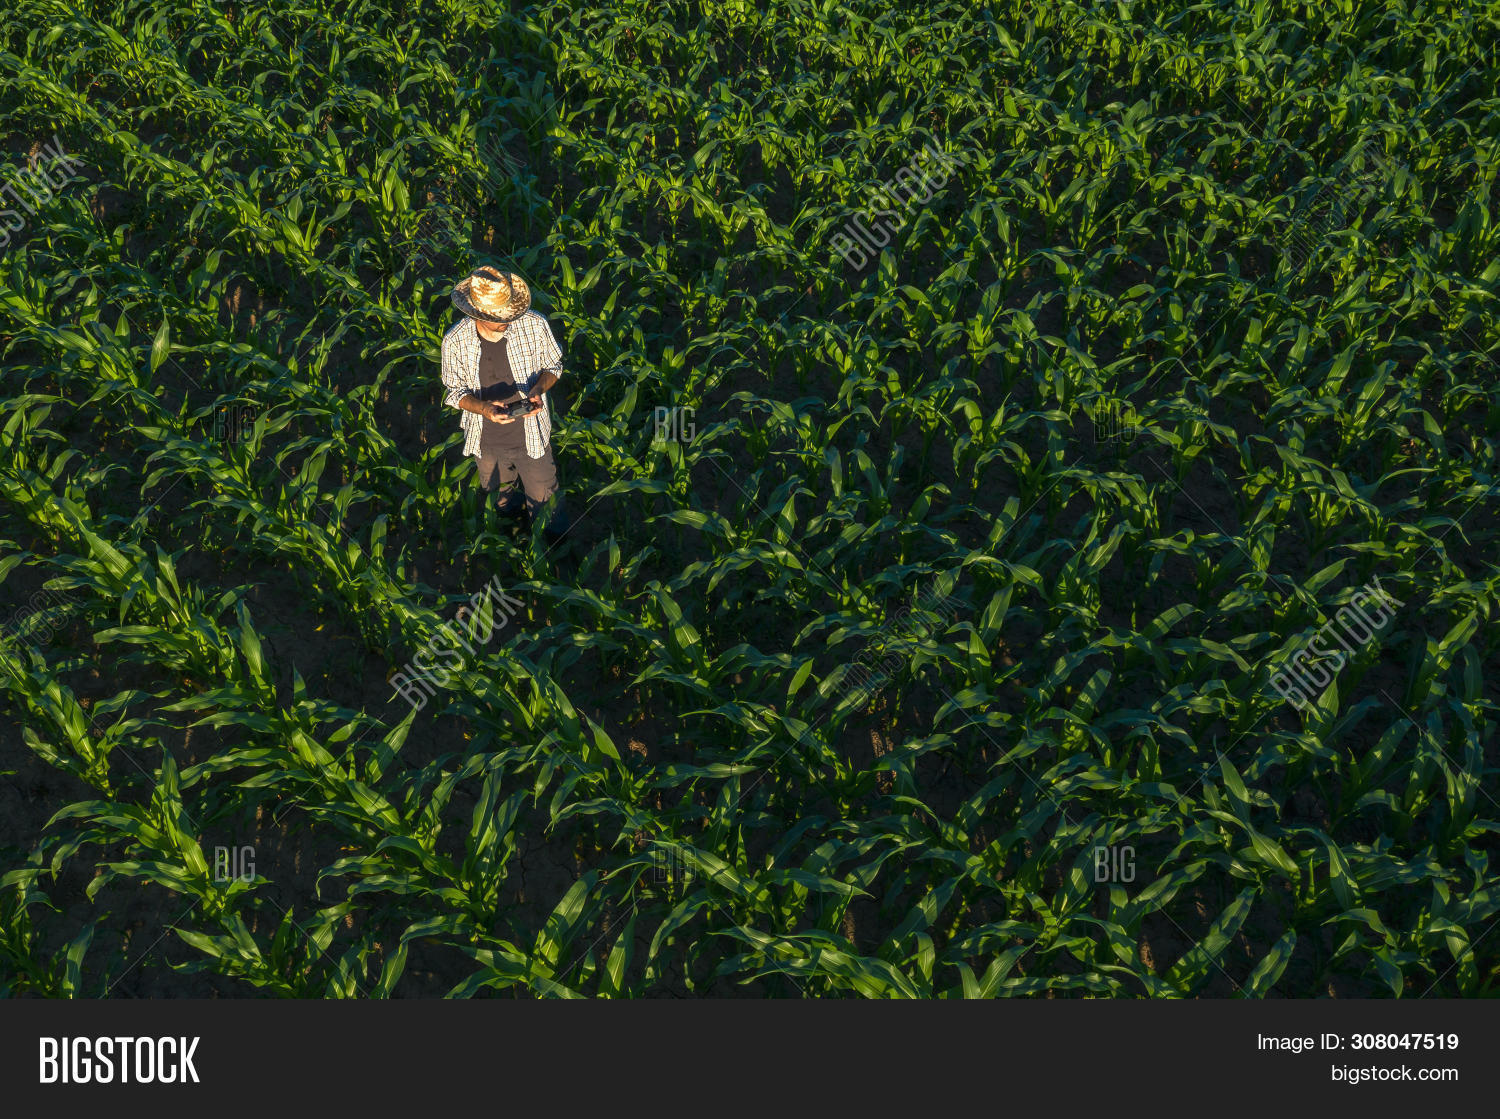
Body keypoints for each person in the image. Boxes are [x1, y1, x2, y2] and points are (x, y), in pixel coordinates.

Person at [440, 266, 570, 539]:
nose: (507, 320)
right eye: (499, 318)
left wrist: (537, 389)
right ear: (477, 312)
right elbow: (454, 392)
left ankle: (554, 554)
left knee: (548, 505)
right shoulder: (455, 340)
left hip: (532, 437)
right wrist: (484, 409)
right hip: (486, 442)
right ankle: (512, 539)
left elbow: (553, 367)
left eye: (508, 313)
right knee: (500, 500)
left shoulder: (534, 324)